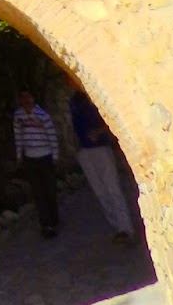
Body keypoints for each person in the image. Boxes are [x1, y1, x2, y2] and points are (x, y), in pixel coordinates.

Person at [68, 80, 135, 240]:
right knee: (100, 191)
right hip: (85, 150)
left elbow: (112, 119)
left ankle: (126, 228)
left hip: (101, 147)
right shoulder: (73, 101)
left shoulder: (95, 95)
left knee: (112, 188)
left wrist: (99, 131)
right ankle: (117, 226)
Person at [14, 89, 59, 236]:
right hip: (30, 157)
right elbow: (18, 135)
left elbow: (51, 135)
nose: (26, 100)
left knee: (49, 190)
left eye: (29, 97)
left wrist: (55, 156)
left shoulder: (43, 116)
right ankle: (46, 225)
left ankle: (54, 218)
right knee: (38, 192)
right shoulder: (18, 116)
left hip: (45, 155)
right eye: (24, 97)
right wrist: (19, 155)